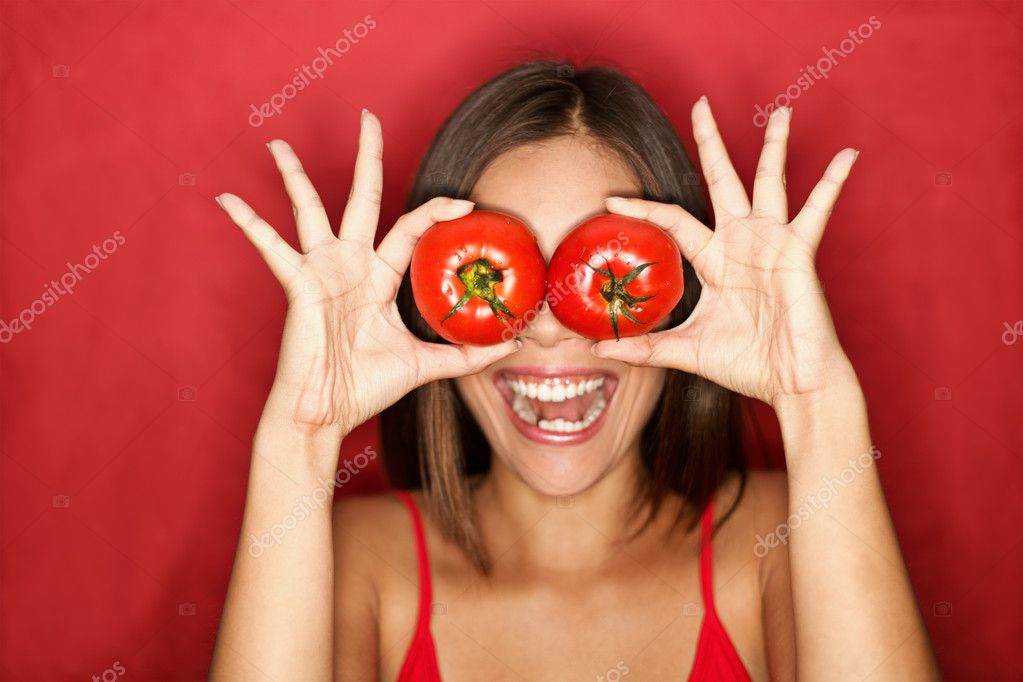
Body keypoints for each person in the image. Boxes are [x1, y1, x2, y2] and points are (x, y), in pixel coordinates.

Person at [209, 60, 939, 681]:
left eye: (597, 269)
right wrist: (300, 439)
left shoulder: (781, 536)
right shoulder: (353, 557)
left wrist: (817, 405)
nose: (553, 327)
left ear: (686, 299)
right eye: (509, 279)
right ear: (424, 311)